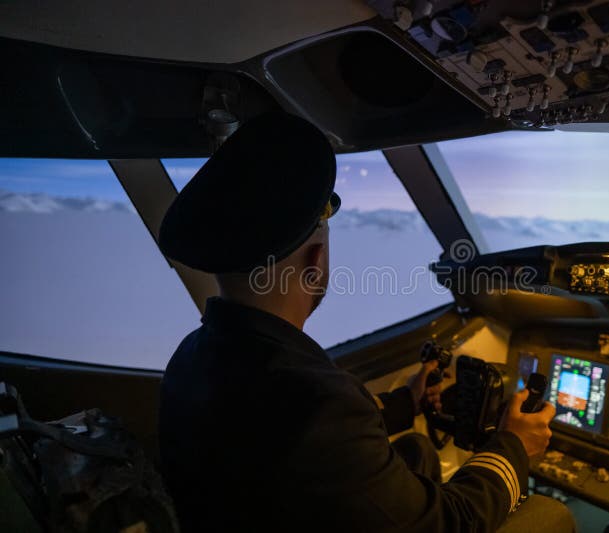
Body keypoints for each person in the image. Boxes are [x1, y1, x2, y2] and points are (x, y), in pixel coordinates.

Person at [157, 112, 575, 532]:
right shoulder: (314, 401)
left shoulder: (191, 359)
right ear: (316, 262)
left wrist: (407, 401)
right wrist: (513, 446)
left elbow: (301, 448)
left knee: (416, 451)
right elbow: (450, 524)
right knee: (551, 515)